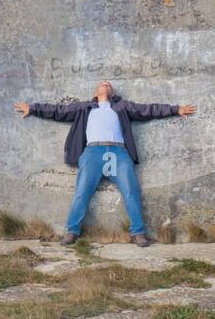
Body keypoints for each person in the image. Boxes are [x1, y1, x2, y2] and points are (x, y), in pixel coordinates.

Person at [15, 80, 196, 247]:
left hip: (119, 152)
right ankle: (72, 231)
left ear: (111, 91)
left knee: (131, 191)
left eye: (107, 84)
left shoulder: (122, 106)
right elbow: (58, 111)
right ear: (96, 91)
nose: (104, 84)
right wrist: (32, 108)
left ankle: (138, 233)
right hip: (92, 152)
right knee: (82, 192)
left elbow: (147, 109)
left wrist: (175, 109)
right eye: (102, 83)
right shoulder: (84, 107)